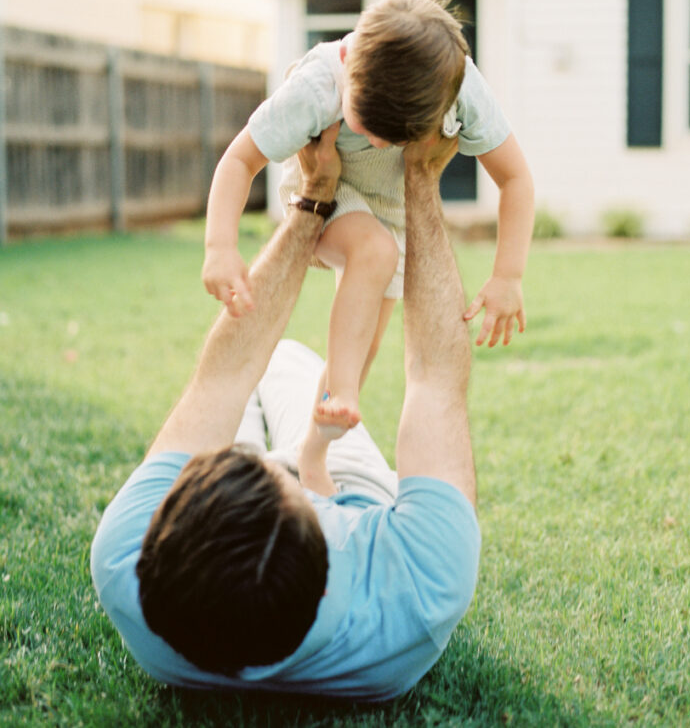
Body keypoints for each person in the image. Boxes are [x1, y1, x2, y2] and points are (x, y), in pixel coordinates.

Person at [91, 124, 481, 700]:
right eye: (281, 479)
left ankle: (269, 431)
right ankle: (297, 428)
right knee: (289, 361)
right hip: (350, 489)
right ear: (326, 578)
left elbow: (222, 379)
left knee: (249, 379)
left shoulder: (124, 560)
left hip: (261, 526)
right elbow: (435, 379)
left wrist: (314, 197)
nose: (280, 469)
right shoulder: (418, 592)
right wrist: (419, 178)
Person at [202, 0, 534, 469]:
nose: (379, 142)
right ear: (348, 63)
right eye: (366, 125)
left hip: (392, 204)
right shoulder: (318, 84)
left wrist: (508, 276)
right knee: (374, 252)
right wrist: (220, 245)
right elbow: (239, 159)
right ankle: (342, 393)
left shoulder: (459, 87)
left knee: (362, 346)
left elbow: (515, 179)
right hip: (324, 182)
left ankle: (313, 453)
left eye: (395, 137)